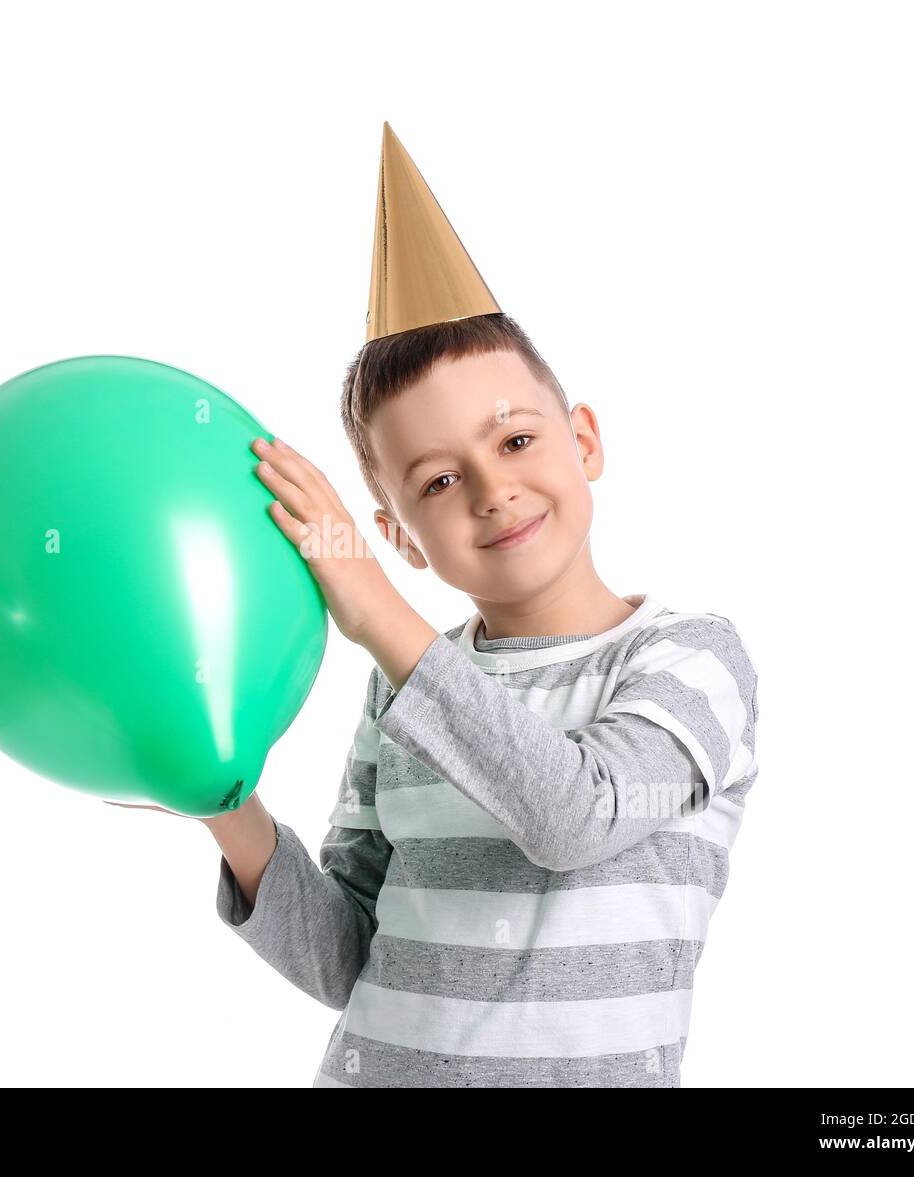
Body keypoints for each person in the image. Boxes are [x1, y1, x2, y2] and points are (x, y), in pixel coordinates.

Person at [119, 123, 759, 1088]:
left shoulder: (690, 661)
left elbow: (575, 816)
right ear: (403, 535)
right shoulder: (402, 695)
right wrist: (227, 807)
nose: (490, 490)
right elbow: (346, 958)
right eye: (436, 481)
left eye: (513, 442)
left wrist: (378, 613)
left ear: (583, 439)